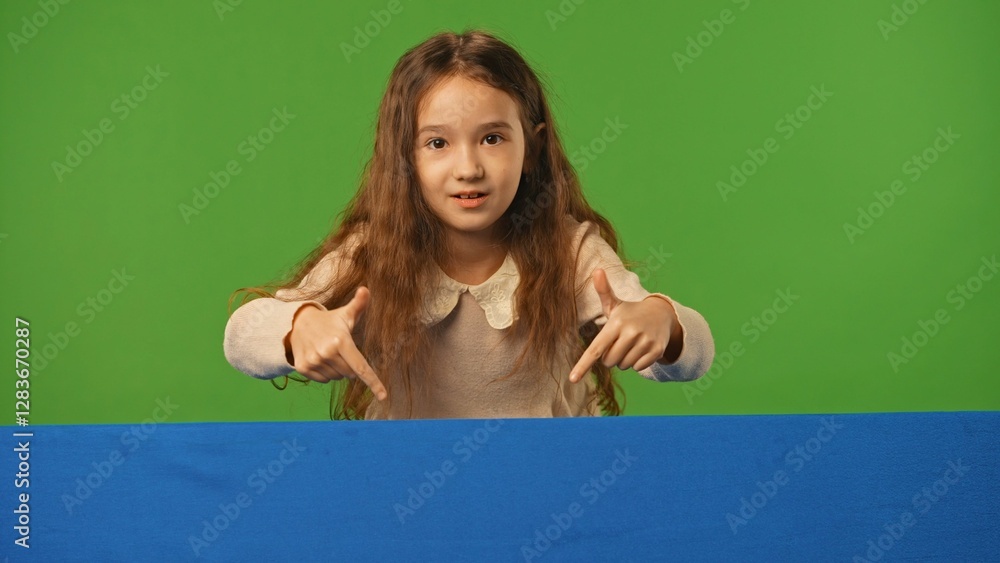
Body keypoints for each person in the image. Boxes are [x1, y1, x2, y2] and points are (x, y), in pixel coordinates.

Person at [223, 29, 715, 420]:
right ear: (405, 157)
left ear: (533, 148)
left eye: (493, 139)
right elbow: (243, 336)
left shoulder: (570, 251)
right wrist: (300, 328)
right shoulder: (375, 250)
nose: (468, 168)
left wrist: (661, 322)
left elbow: (696, 353)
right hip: (407, 497)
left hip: (549, 493)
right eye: (437, 143)